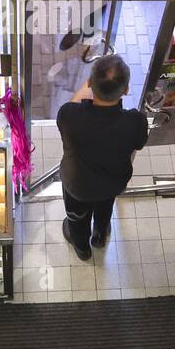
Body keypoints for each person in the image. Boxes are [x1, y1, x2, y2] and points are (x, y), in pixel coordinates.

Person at [55, 54, 148, 261]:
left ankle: (82, 247)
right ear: (126, 90)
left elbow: (74, 105)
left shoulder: (69, 116)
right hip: (113, 182)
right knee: (105, 206)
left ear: (89, 83)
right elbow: (139, 144)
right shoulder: (135, 121)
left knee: (77, 217)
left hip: (77, 185)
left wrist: (89, 85)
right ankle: (99, 235)